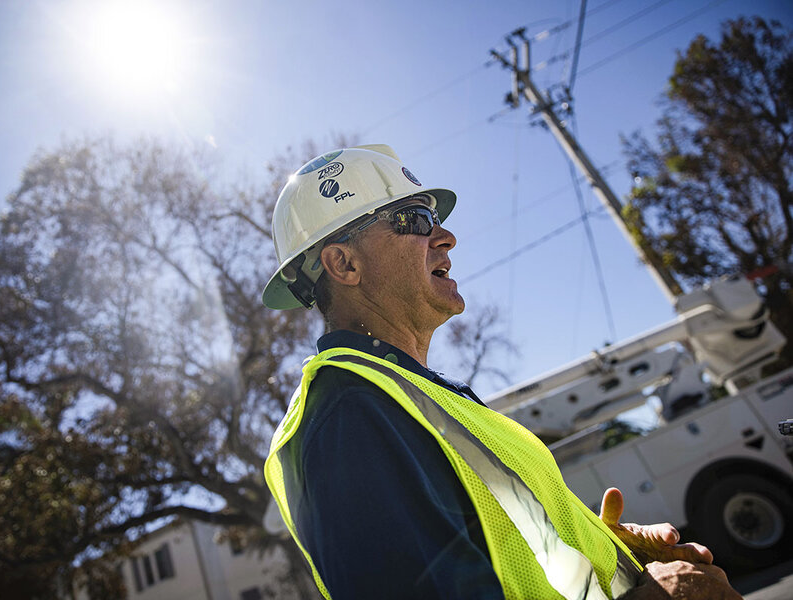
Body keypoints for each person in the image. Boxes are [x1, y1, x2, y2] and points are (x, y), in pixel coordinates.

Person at [262, 145, 742, 599]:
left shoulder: (420, 397)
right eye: (415, 219)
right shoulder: (346, 415)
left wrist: (605, 548)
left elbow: (513, 547)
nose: (446, 236)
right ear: (344, 263)